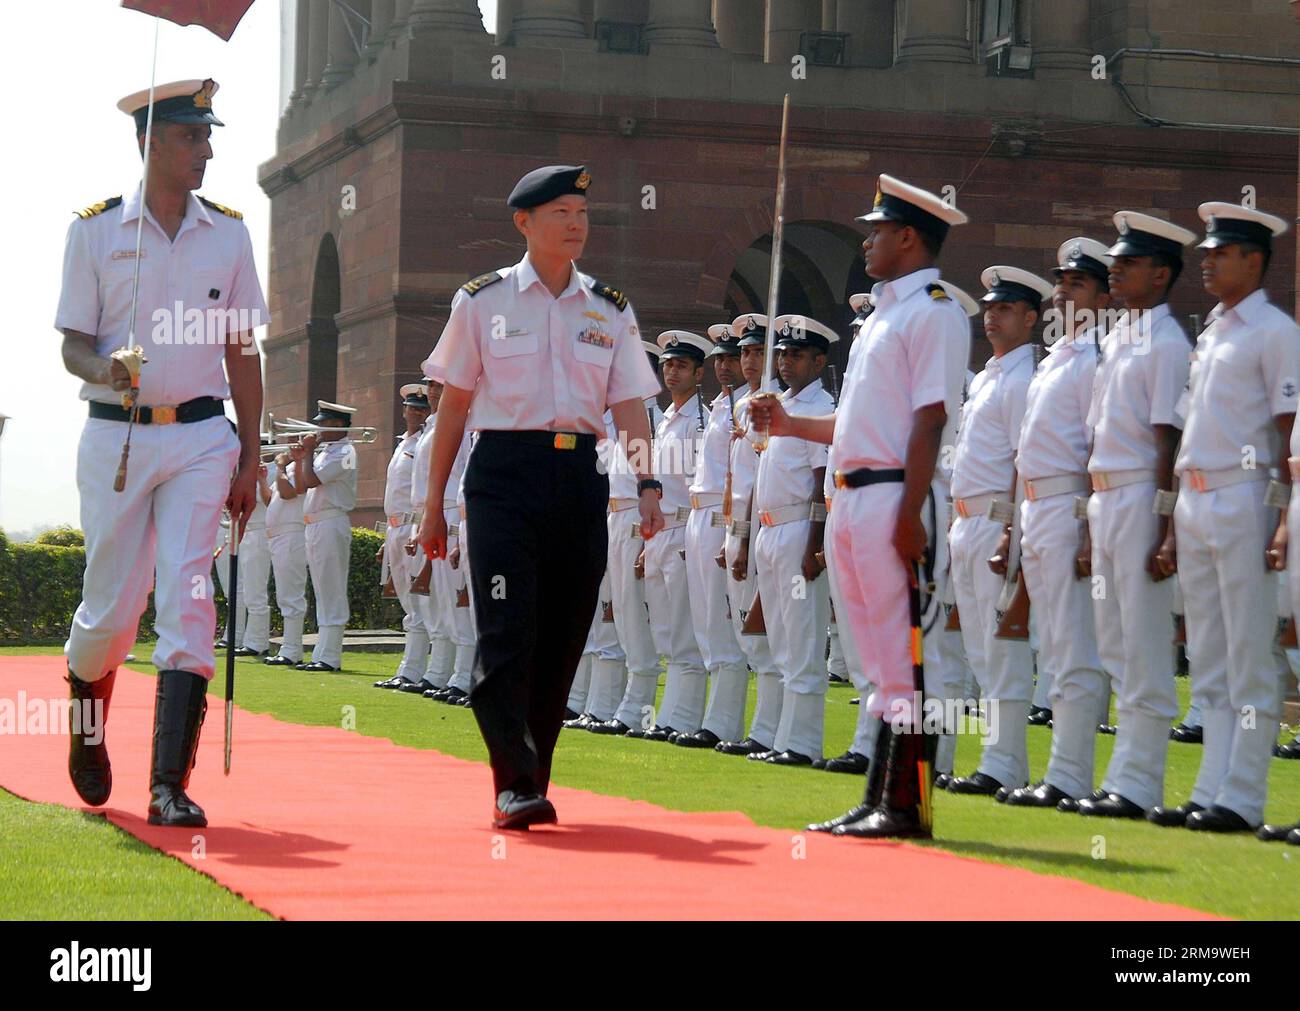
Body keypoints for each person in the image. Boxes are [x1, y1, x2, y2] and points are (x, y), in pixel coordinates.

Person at [416, 165, 664, 830]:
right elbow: (456, 407)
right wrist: (432, 502)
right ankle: (513, 779)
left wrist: (646, 482)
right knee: (507, 627)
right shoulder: (482, 300)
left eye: (582, 211)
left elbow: (630, 406)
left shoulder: (608, 307)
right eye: (560, 211)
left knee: (561, 635)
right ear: (524, 221)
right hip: (502, 474)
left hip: (578, 475)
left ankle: (534, 770)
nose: (576, 223)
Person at [57, 78, 266, 827]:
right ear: (150, 144)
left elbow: (244, 351)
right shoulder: (96, 232)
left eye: (208, 135)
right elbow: (74, 345)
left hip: (204, 437)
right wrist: (105, 367)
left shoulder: (232, 234)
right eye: (191, 136)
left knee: (188, 598)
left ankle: (167, 784)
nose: (205, 148)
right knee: (112, 611)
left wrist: (250, 457)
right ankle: (86, 704)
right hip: (116, 434)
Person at [752, 174, 969, 838]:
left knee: (905, 655)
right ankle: (882, 794)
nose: (867, 240)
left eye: (877, 231)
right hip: (850, 493)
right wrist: (788, 423)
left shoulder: (933, 310)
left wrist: (910, 513)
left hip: (892, 494)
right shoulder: (882, 315)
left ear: (909, 237)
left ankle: (909, 802)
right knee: (876, 660)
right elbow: (852, 421)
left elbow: (931, 420)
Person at [1153, 202, 1297, 832]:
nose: (1206, 262)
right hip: (1197, 495)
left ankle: (1243, 794)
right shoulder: (1211, 330)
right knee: (1208, 653)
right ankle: (1211, 786)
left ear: (1254, 260)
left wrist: (1284, 515)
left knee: (1247, 652)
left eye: (1220, 253)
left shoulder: (1274, 330)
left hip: (1245, 492)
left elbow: (1286, 428)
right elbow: (1188, 427)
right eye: (1206, 252)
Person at [1074, 211, 1196, 820]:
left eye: (1129, 263)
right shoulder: (1120, 336)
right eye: (1115, 262)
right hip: (1105, 497)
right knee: (1115, 643)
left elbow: (1167, 441)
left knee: (1145, 646)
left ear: (1162, 273)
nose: (1115, 271)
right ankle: (1123, 776)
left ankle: (1141, 784)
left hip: (1139, 498)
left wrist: (1166, 526)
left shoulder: (1170, 343)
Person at [1004, 239, 1114, 808]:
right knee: (1053, 648)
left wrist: (1090, 529)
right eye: (1061, 282)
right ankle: (1058, 774)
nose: (1062, 292)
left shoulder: (1096, 360)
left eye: (1076, 284)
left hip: (1069, 507)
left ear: (1101, 296)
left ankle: (1071, 776)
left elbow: (1096, 447)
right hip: (1035, 508)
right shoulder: (1055, 360)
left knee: (1074, 648)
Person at [946, 266, 1051, 799]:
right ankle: (997, 757)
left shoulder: (1021, 378)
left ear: (1031, 318)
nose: (992, 316)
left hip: (994, 520)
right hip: (965, 520)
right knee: (980, 651)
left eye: (1005, 308)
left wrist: (1012, 527)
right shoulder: (988, 374)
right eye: (989, 307)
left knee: (1002, 646)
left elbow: (1020, 459)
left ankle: (1006, 763)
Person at [748, 314, 837, 765]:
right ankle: (783, 737)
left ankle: (802, 743)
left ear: (819, 360)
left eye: (797, 355)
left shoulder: (818, 408)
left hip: (799, 527)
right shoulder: (779, 404)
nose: (786, 362)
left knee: (802, 638)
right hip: (770, 529)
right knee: (781, 639)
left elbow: (821, 480)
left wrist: (813, 546)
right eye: (782, 354)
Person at [630, 330, 710, 741]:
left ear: (699, 373)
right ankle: (669, 715)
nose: (672, 371)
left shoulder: (701, 420)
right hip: (660, 532)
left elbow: (702, 482)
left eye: (681, 365)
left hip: (684, 526)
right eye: (668, 364)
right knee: (664, 629)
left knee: (683, 630)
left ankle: (684, 717)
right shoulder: (665, 422)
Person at [675, 322, 750, 749]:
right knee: (706, 623)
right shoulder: (720, 407)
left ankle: (724, 724)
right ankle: (709, 718)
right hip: (699, 517)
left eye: (733, 357)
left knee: (726, 625)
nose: (726, 366)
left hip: (725, 519)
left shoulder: (745, 405)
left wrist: (732, 534)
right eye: (720, 358)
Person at [714, 316, 784, 757]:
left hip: (762, 524)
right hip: (736, 524)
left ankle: (770, 731)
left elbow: (758, 481)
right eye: (744, 352)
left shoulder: (767, 405)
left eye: (758, 351)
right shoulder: (740, 406)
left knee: (766, 636)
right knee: (745, 634)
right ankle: (754, 728)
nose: (747, 360)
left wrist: (742, 539)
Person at [595, 343, 667, 736]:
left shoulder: (652, 419)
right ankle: (620, 706)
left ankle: (642, 711)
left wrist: (646, 541)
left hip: (639, 521)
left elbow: (662, 482)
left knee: (641, 622)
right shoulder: (609, 419)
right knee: (619, 615)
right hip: (613, 517)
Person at [293, 401, 359, 673]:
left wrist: (307, 453)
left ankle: (330, 656)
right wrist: (301, 458)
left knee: (331, 589)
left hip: (331, 521)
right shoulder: (326, 451)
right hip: (316, 524)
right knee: (322, 590)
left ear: (339, 426)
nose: (319, 428)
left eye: (325, 423)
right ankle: (323, 653)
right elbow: (300, 485)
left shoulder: (345, 451)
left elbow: (311, 481)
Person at [374, 384, 432, 690]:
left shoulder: (425, 442)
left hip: (413, 525)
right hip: (396, 527)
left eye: (421, 409)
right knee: (409, 604)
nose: (416, 412)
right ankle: (408, 668)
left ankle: (416, 671)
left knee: (420, 600)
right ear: (404, 410)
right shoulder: (403, 444)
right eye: (412, 407)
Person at [215, 434, 274, 656]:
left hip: (259, 531)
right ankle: (248, 639)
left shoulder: (270, 472)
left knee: (255, 591)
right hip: (247, 532)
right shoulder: (243, 474)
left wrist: (257, 478)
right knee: (247, 591)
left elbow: (264, 500)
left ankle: (257, 642)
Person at [263, 448, 308, 666]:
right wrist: (261, 480)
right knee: (284, 594)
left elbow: (290, 493)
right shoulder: (290, 467)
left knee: (291, 595)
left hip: (292, 534)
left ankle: (291, 649)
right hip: (279, 535)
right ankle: (290, 647)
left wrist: (279, 466)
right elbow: (270, 500)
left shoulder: (299, 466)